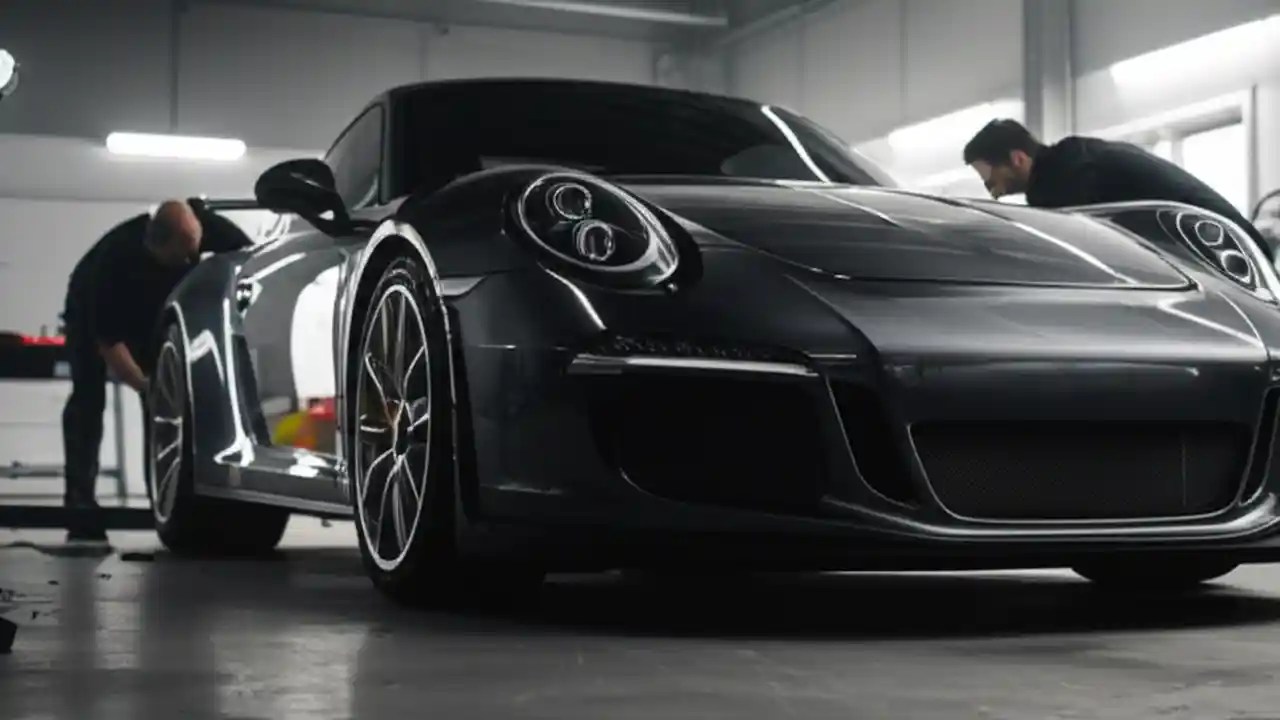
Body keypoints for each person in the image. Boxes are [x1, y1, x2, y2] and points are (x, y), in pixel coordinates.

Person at [60, 199, 251, 544]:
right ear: (156, 246)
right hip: (93, 317)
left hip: (159, 314)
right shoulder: (113, 264)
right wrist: (146, 387)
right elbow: (110, 343)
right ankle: (80, 508)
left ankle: (165, 505)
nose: (191, 262)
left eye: (195, 252)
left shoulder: (212, 230)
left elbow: (253, 267)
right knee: (89, 401)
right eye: (182, 257)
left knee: (166, 410)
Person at [962, 119, 1271, 260]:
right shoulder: (1074, 158)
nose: (991, 191)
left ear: (1017, 159)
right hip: (1234, 247)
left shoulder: (1061, 180)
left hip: (1225, 256)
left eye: (991, 177)